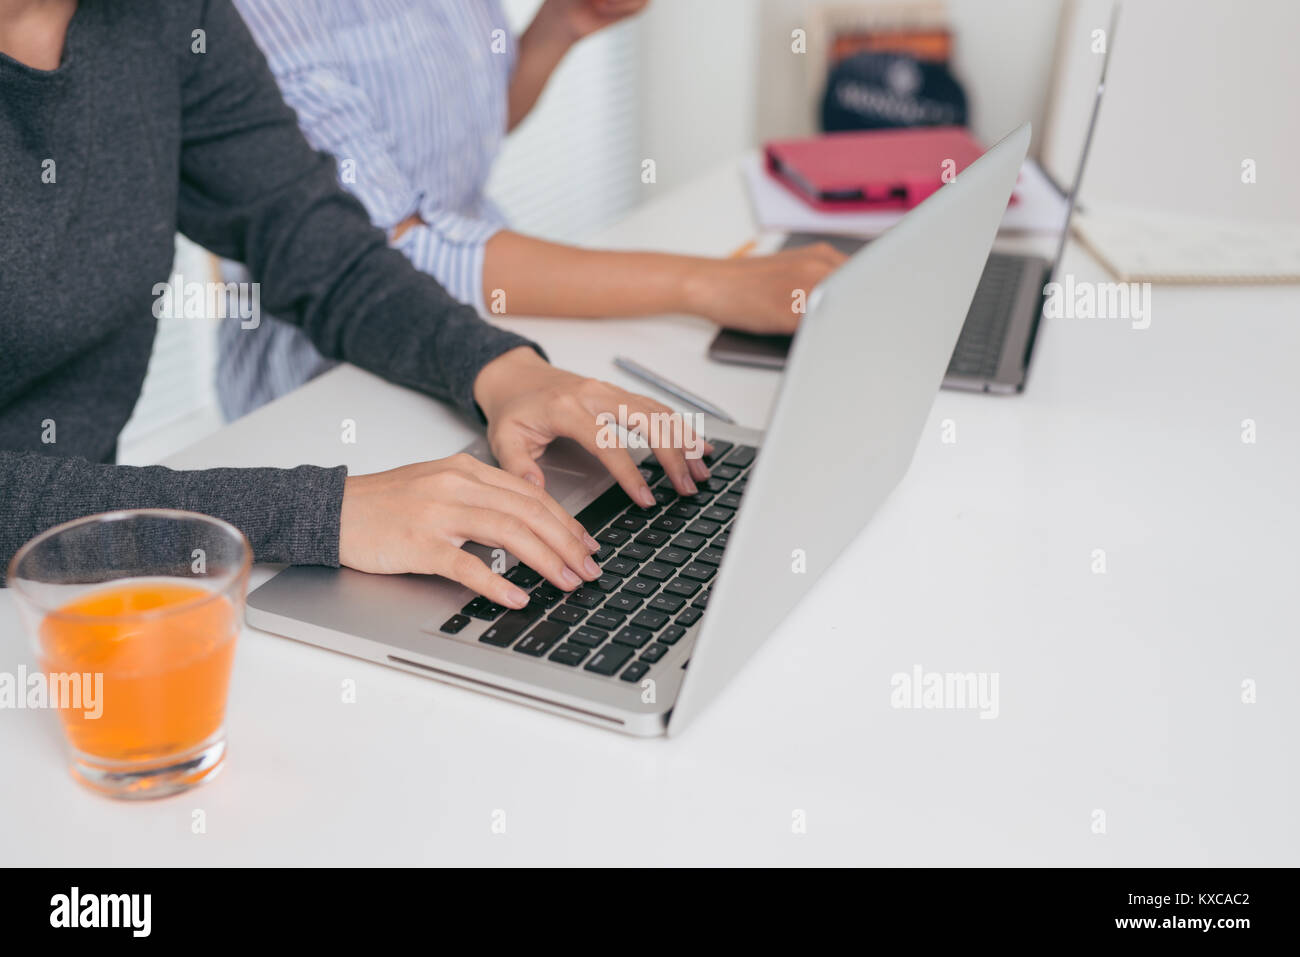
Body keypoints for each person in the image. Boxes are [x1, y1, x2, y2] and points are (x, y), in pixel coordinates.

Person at [0, 0, 714, 610]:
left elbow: (308, 235)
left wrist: (501, 367)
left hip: (64, 587)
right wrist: (323, 513)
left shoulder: (165, 15)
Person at [216, 0, 847, 419]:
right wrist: (708, 282)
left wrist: (565, 22)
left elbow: (461, 127)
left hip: (490, 313)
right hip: (331, 374)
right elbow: (380, 245)